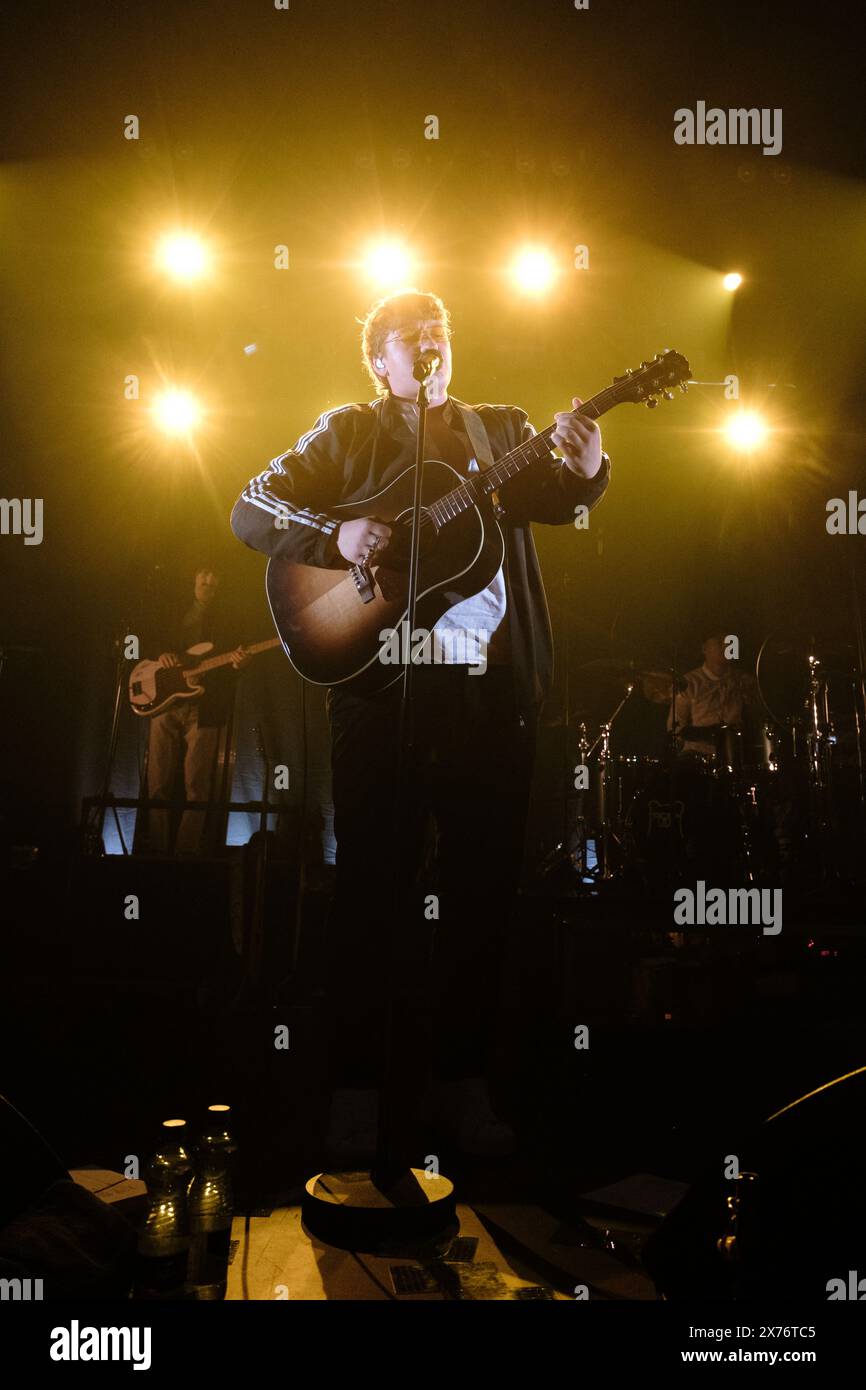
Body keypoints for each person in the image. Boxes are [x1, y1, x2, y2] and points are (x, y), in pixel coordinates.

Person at [230, 289, 610, 1156]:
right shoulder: (349, 432)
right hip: (380, 697)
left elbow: (563, 504)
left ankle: (464, 1090)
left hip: (488, 696)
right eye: (414, 338)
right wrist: (343, 535)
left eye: (443, 333)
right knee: (370, 895)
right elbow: (251, 506)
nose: (434, 345)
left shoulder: (501, 429)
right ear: (382, 362)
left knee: (482, 902)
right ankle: (358, 1091)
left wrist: (588, 468)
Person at [144, 566, 249, 856]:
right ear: (192, 576)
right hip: (165, 703)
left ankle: (184, 857)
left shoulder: (228, 620)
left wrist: (237, 664)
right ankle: (156, 853)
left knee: (197, 786)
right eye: (204, 573)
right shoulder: (170, 611)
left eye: (216, 575)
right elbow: (147, 641)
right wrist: (161, 654)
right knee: (158, 782)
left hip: (206, 708)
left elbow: (230, 667)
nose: (209, 580)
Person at [668, 633, 759, 758]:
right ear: (704, 649)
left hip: (737, 754)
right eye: (719, 642)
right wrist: (710, 734)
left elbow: (758, 721)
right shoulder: (690, 682)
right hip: (698, 755)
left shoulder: (744, 681)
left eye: (729, 641)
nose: (726, 646)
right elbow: (676, 727)